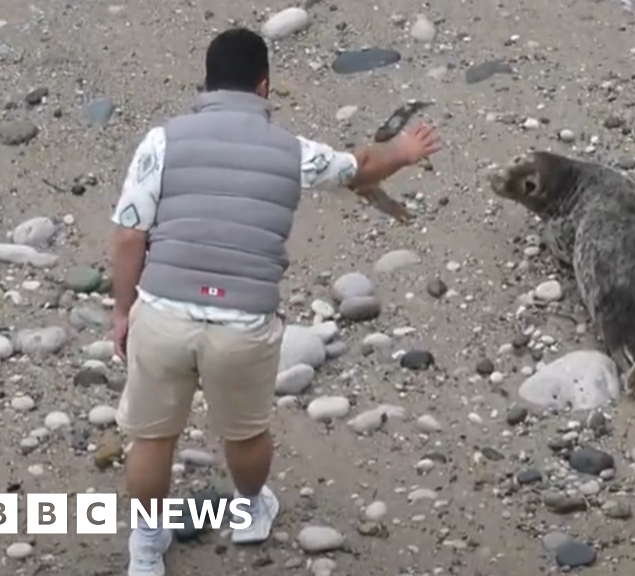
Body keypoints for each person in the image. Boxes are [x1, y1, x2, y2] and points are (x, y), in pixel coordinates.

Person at [109, 27, 441, 576]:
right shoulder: (293, 152)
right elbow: (357, 169)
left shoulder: (162, 141)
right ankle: (250, 511)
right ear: (264, 87)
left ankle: (146, 547)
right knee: (244, 433)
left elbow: (127, 234)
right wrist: (404, 152)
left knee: (152, 438)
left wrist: (123, 312)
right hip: (242, 322)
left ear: (206, 83)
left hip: (164, 312)